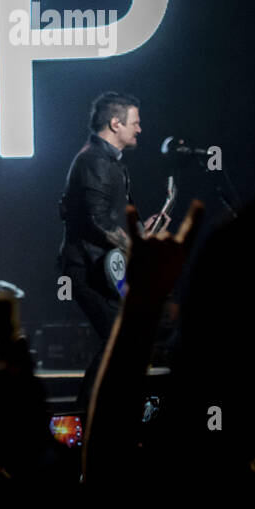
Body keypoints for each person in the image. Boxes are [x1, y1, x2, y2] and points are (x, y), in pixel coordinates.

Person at [56, 92, 160, 410]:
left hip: (101, 266)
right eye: (136, 122)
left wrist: (143, 230)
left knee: (123, 339)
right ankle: (88, 415)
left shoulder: (109, 162)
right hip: (87, 269)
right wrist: (136, 245)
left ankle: (104, 411)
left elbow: (111, 217)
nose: (140, 129)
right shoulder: (94, 161)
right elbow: (96, 220)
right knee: (118, 339)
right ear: (116, 123)